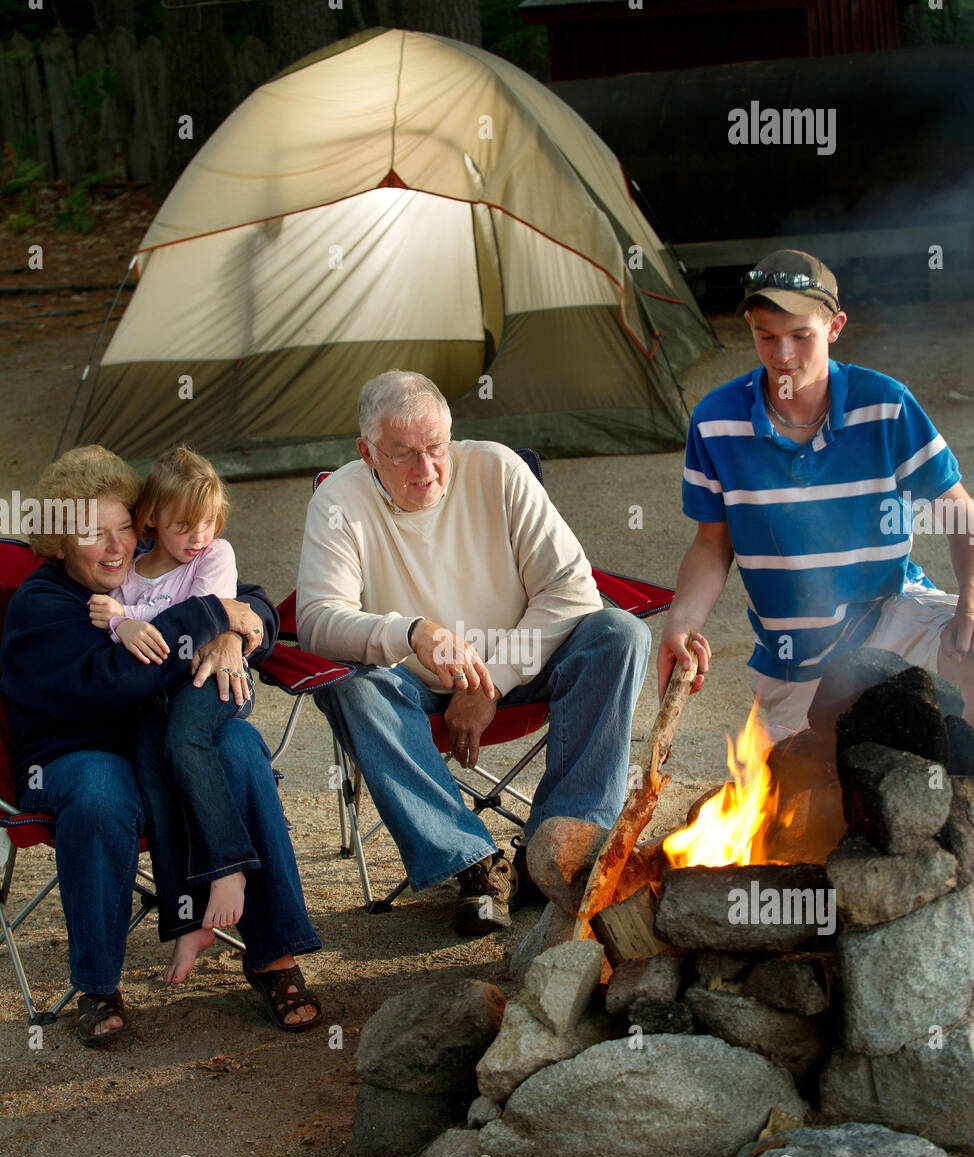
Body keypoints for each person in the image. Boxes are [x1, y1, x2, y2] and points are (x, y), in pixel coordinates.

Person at [296, 369, 650, 935]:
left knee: (621, 635)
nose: (426, 469)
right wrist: (412, 632)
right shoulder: (341, 500)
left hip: (522, 662)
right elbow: (314, 622)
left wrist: (490, 682)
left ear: (451, 435)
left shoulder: (497, 469)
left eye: (436, 448)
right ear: (366, 452)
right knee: (351, 688)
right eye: (403, 453)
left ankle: (559, 849)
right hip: (408, 688)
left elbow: (571, 588)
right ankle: (472, 863)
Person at [0, 446, 322, 1046]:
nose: (117, 546)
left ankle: (276, 958)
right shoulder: (41, 605)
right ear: (60, 543)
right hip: (77, 754)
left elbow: (251, 604)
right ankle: (97, 987)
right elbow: (117, 682)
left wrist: (234, 633)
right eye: (96, 535)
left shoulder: (153, 565)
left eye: (124, 525)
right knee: (103, 791)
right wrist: (210, 616)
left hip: (168, 742)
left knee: (241, 751)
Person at [659, 248, 970, 740]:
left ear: (835, 326)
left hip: (894, 617)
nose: (783, 356)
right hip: (793, 658)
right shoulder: (716, 421)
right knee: (800, 808)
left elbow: (959, 513)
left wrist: (970, 606)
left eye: (801, 336)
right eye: (766, 337)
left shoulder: (886, 404)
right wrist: (681, 621)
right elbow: (711, 544)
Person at [88, 445, 257, 972]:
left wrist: (127, 619)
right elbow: (118, 624)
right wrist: (121, 619)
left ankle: (229, 868)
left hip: (211, 683)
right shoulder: (130, 574)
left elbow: (200, 618)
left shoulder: (215, 556)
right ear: (151, 520)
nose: (198, 537)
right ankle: (186, 924)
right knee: (153, 779)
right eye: (184, 525)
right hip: (157, 698)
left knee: (185, 739)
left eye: (207, 522)